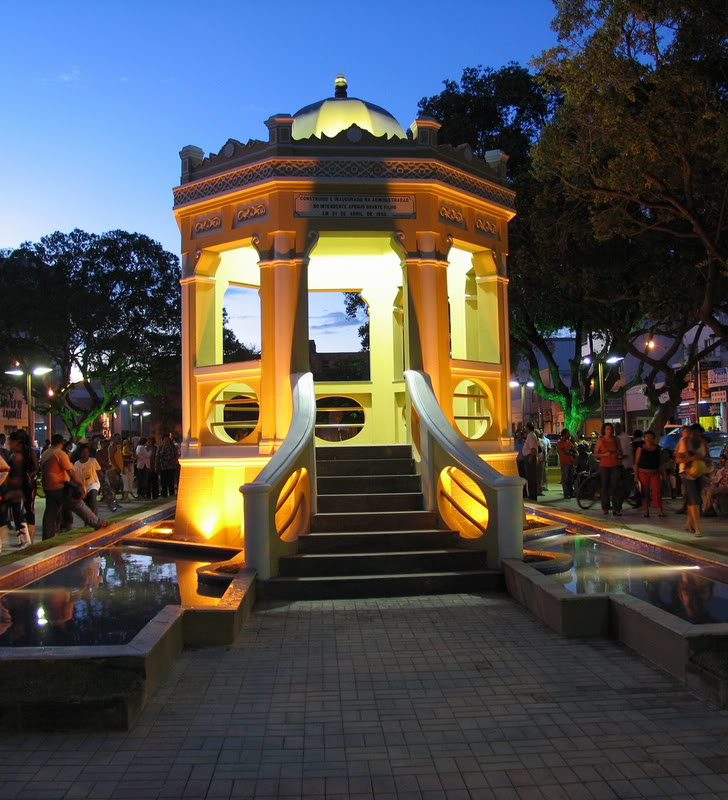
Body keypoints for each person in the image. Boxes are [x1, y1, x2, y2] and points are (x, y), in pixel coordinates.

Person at [40, 434, 108, 540]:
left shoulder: (45, 453)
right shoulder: (59, 454)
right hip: (59, 486)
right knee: (78, 505)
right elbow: (70, 471)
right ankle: (97, 523)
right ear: (61, 443)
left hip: (49, 487)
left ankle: (47, 536)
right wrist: (81, 485)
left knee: (50, 514)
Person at [676, 423, 711, 536]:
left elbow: (709, 458)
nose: (697, 436)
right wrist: (691, 458)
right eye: (695, 433)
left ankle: (689, 523)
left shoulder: (703, 443)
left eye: (699, 434)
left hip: (700, 472)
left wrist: (704, 460)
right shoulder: (684, 442)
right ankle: (697, 528)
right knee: (694, 499)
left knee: (695, 500)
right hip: (686, 473)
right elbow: (678, 459)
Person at [2, 432, 32, 547]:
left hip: (15, 490)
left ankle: (25, 540)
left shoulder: (17, 457)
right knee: (17, 515)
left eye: (11, 441)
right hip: (14, 490)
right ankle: (23, 540)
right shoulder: (15, 455)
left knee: (18, 515)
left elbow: (17, 476)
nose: (9, 443)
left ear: (17, 442)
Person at [594, 422, 623, 516]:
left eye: (610, 429)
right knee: (605, 486)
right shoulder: (600, 440)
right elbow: (596, 454)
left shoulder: (615, 439)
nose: (609, 431)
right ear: (604, 430)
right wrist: (604, 454)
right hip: (604, 465)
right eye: (607, 429)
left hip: (615, 464)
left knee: (615, 486)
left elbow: (621, 451)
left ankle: (616, 508)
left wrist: (618, 454)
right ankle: (605, 507)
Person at [634, 430, 664, 518]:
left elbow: (661, 462)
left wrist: (663, 473)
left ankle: (660, 510)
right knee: (645, 492)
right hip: (643, 472)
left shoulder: (658, 448)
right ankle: (646, 510)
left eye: (650, 438)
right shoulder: (641, 448)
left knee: (657, 491)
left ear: (653, 438)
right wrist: (636, 476)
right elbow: (636, 462)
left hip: (655, 472)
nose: (648, 439)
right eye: (647, 437)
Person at [72, 445, 102, 515]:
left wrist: (98, 480)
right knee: (87, 503)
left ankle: (95, 518)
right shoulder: (77, 464)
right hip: (83, 486)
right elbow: (75, 476)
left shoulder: (93, 461)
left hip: (93, 484)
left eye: (87, 452)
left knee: (92, 500)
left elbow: (98, 470)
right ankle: (89, 519)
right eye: (83, 452)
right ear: (80, 453)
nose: (85, 454)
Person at [673, 425, 691, 514]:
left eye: (687, 431)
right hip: (683, 469)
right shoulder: (682, 441)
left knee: (690, 490)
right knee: (686, 490)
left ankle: (688, 507)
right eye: (684, 432)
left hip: (691, 469)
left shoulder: (690, 441)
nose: (686, 433)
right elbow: (676, 453)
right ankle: (685, 506)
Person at [556, 430, 577, 498]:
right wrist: (571, 452)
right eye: (567, 434)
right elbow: (566, 452)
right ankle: (566, 493)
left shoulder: (568, 442)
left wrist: (573, 452)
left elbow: (574, 449)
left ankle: (570, 492)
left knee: (571, 479)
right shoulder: (560, 443)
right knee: (565, 479)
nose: (569, 435)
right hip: (564, 463)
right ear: (564, 434)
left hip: (571, 462)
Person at [522, 422, 540, 501]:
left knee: (531, 478)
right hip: (529, 457)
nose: (524, 429)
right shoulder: (530, 435)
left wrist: (531, 457)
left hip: (530, 458)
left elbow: (533, 448)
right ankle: (531, 494)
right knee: (529, 477)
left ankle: (533, 495)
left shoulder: (532, 436)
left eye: (525, 427)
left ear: (528, 428)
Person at [158, 432, 178, 498]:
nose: (166, 441)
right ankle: (164, 495)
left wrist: (165, 458)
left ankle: (171, 494)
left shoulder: (172, 447)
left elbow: (172, 456)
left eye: (167, 440)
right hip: (163, 467)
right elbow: (158, 456)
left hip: (170, 467)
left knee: (170, 482)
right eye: (164, 440)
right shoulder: (161, 447)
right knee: (163, 482)